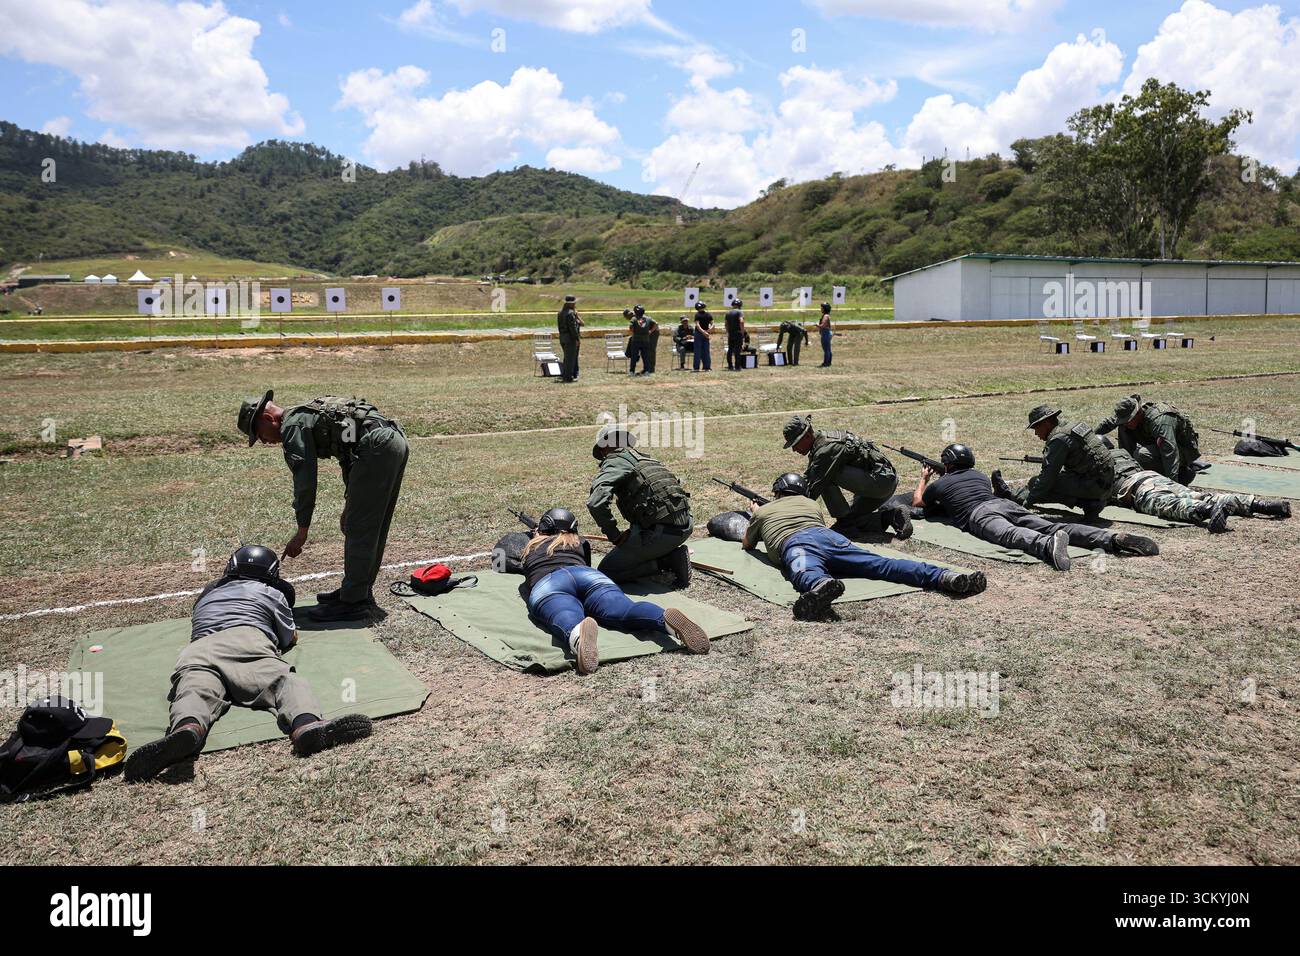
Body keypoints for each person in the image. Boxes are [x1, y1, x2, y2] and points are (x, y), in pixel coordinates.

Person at [123, 545, 373, 782]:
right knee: (285, 682)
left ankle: (187, 729)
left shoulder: (207, 596)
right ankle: (307, 725)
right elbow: (288, 636)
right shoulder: (271, 592)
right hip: (247, 639)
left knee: (194, 690)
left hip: (198, 650)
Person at [237, 390, 409, 621]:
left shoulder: (292, 426)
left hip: (376, 447)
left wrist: (302, 530)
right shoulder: (306, 414)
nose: (264, 441)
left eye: (259, 434)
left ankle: (353, 603)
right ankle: (357, 592)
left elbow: (305, 481)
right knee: (367, 526)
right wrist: (350, 503)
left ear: (268, 418)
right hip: (390, 440)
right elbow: (349, 453)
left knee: (361, 528)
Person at [743, 473, 986, 620]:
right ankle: (944, 577)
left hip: (797, 543)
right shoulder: (810, 504)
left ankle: (821, 585)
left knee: (805, 572)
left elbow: (748, 544)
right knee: (883, 565)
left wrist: (755, 512)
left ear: (776, 493)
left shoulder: (763, 511)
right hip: (830, 538)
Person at [912, 444, 1158, 572]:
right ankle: (1112, 539)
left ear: (947, 464)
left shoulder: (942, 483)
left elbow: (918, 503)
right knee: (1054, 526)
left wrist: (924, 478)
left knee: (1010, 534)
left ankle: (1046, 545)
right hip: (1004, 503)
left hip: (980, 513)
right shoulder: (978, 476)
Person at [520, 509, 709, 674]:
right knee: (625, 609)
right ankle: (664, 620)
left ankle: (578, 634)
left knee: (564, 612)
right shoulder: (581, 542)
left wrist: (533, 536)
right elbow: (584, 561)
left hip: (550, 583)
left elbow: (511, 559)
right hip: (588, 576)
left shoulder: (531, 546)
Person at [587, 424, 693, 585]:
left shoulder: (616, 460)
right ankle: (663, 553)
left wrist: (614, 535)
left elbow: (596, 503)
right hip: (685, 527)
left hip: (660, 534)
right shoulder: (647, 458)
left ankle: (667, 562)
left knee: (606, 572)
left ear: (605, 446)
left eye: (602, 452)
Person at [1104, 440, 1290, 531]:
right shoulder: (1122, 453)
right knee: (1200, 495)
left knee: (1170, 505)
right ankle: (1261, 505)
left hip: (1137, 488)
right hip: (1154, 477)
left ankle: (1209, 511)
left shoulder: (1098, 465)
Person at [782, 414, 912, 537]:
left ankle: (845, 525)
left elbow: (813, 488)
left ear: (807, 436)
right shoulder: (821, 443)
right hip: (883, 482)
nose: (794, 449)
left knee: (826, 479)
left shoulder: (825, 450)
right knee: (853, 519)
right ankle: (893, 516)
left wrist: (786, 510)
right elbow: (810, 478)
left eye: (795, 444)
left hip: (880, 483)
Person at [992, 405, 1114, 517]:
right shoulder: (1072, 426)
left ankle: (1009, 494)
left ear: (1046, 423)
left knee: (1037, 484)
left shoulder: (1059, 439)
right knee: (1051, 484)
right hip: (1105, 483)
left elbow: (1047, 478)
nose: (1036, 433)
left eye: (1036, 428)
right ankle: (1089, 503)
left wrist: (1027, 504)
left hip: (1094, 485)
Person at [1096, 394, 1201, 484]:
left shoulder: (1160, 421)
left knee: (1142, 454)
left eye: (1128, 420)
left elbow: (1170, 453)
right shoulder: (1127, 414)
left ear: (1137, 413)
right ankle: (1128, 469)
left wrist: (1173, 485)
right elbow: (1109, 423)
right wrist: (1087, 436)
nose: (1126, 423)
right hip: (1158, 446)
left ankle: (1182, 473)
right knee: (1123, 428)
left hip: (1182, 450)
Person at [556, 295, 582, 382]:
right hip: (570, 339)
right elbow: (573, 329)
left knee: (567, 358)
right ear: (571, 304)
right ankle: (568, 377)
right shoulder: (570, 313)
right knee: (570, 359)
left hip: (562, 338)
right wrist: (577, 339)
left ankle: (565, 375)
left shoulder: (560, 313)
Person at [724, 299, 746, 371]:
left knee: (730, 350)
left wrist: (728, 332)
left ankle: (730, 366)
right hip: (738, 333)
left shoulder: (728, 313)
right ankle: (737, 366)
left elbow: (726, 324)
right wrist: (742, 332)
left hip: (731, 333)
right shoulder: (740, 312)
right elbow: (741, 321)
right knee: (737, 350)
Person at [692, 300, 713, 372]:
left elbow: (697, 326)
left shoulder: (697, 315)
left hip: (699, 334)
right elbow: (713, 325)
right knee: (706, 351)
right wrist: (708, 331)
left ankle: (696, 368)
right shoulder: (708, 314)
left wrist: (704, 332)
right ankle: (707, 367)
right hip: (706, 334)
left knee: (697, 351)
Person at [624, 308, 644, 375]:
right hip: (640, 337)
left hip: (640, 338)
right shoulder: (635, 317)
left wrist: (635, 334)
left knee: (635, 354)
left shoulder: (634, 318)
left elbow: (632, 328)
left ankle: (630, 356)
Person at [816, 302, 833, 367]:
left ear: (825, 308)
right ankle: (829, 362)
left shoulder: (825, 316)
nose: (821, 309)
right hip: (827, 333)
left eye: (822, 307)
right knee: (828, 349)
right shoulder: (827, 315)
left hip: (825, 333)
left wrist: (818, 326)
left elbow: (823, 324)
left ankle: (826, 363)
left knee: (826, 349)